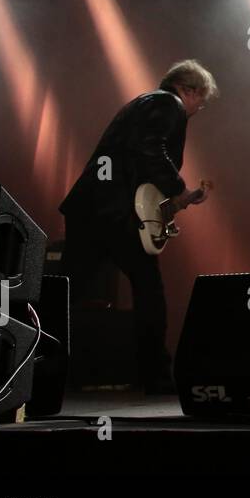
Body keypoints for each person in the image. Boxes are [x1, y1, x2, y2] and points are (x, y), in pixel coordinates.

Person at [60, 60, 217, 394]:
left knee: (66, 291)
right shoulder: (167, 103)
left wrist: (174, 204)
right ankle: (154, 376)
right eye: (200, 100)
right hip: (114, 213)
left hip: (94, 208)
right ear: (187, 89)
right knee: (149, 291)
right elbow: (150, 149)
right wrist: (179, 189)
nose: (199, 109)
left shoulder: (142, 104)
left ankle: (38, 369)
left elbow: (137, 163)